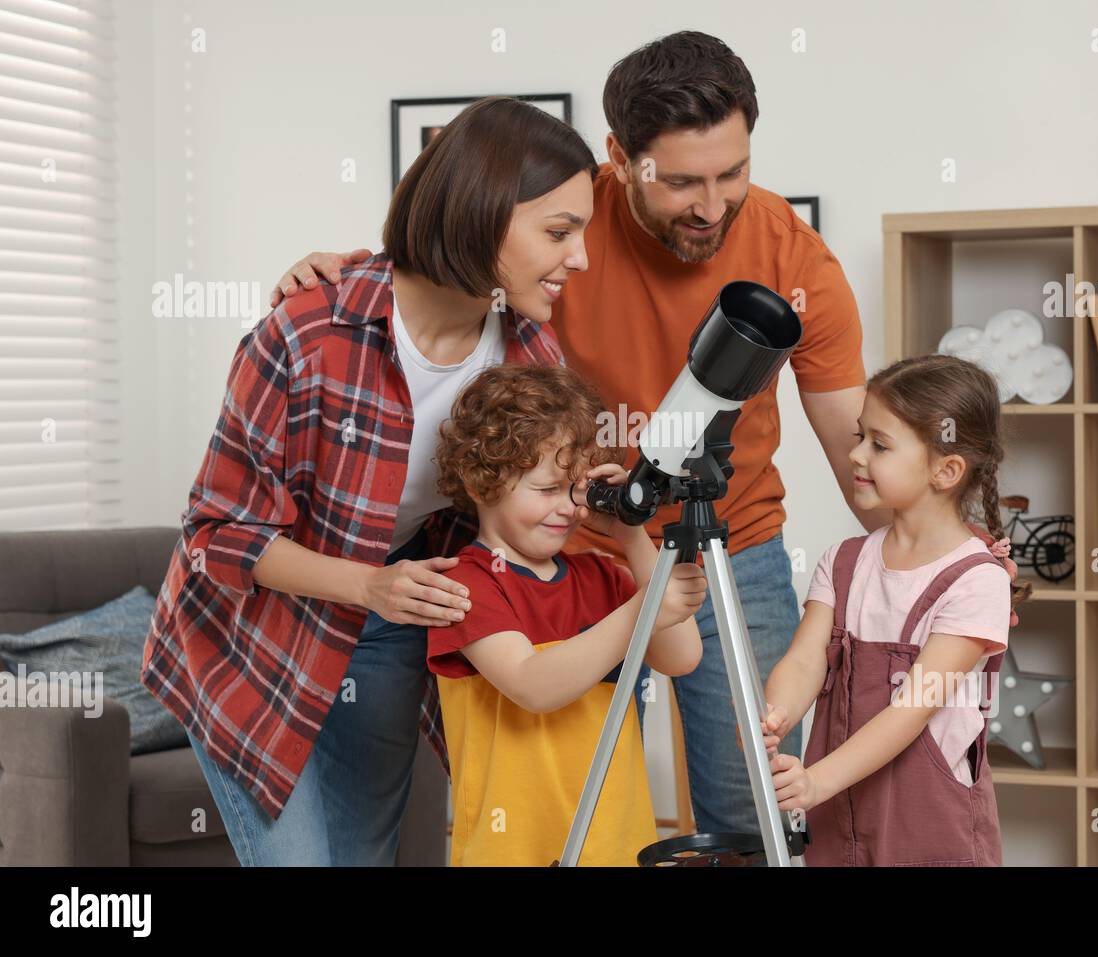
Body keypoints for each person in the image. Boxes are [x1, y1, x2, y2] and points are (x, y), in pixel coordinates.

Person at [270, 31, 883, 837]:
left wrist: (951, 557)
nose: (712, 205)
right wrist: (352, 277)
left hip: (732, 548)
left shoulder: (793, 259)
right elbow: (444, 271)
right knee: (571, 809)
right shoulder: (560, 230)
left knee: (754, 808)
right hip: (563, 552)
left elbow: (860, 458)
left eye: (733, 172)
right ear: (620, 159)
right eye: (684, 181)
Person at [140, 97, 597, 865]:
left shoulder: (530, 356)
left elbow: (523, 516)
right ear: (481, 215)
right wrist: (367, 586)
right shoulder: (308, 332)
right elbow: (216, 534)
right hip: (252, 633)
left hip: (391, 623)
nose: (580, 257)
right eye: (559, 232)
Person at [758, 355, 1033, 865]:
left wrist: (816, 780)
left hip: (929, 830)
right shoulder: (843, 563)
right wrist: (773, 718)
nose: (856, 455)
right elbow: (803, 660)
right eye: (860, 436)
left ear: (946, 471)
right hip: (838, 821)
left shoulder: (976, 582)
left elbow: (911, 709)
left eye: (879, 445)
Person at [426, 364, 704, 865]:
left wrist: (628, 532)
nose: (568, 508)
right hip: (514, 849)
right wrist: (644, 607)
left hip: (614, 844)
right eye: (547, 488)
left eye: (577, 489)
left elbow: (681, 657)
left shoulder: (602, 576)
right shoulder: (466, 584)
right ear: (480, 480)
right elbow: (534, 686)